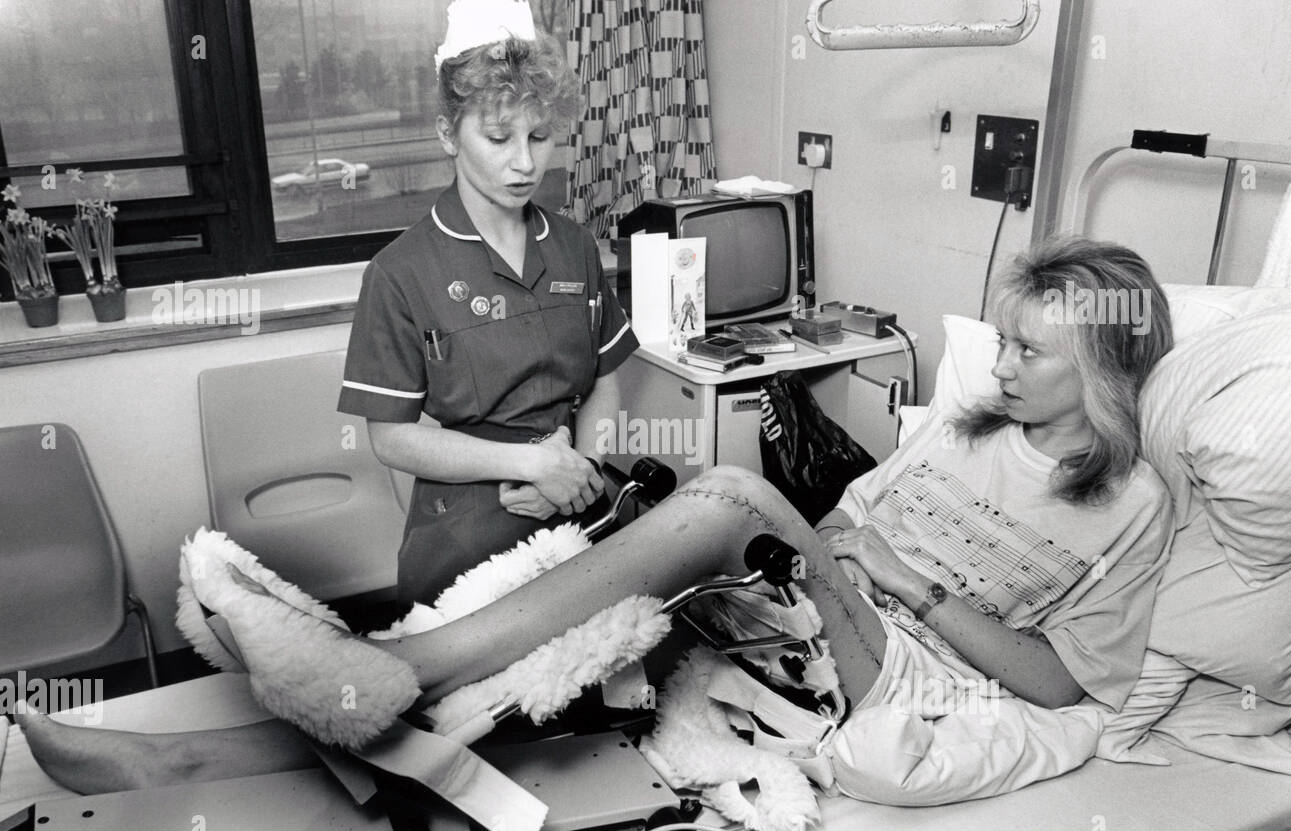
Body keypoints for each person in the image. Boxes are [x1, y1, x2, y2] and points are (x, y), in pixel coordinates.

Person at [17, 235, 1176, 795]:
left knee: (721, 494)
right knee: (564, 646)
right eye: (1005, 341)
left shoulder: (1131, 506)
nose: (1003, 362)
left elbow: (1066, 687)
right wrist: (840, 555)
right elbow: (848, 526)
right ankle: (191, 753)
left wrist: (902, 582)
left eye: (1031, 348)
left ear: (1109, 362)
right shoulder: (968, 429)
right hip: (834, 600)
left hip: (914, 667)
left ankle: (382, 662)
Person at [338, 0, 638, 607]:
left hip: (578, 505)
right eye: (499, 137)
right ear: (448, 134)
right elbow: (391, 439)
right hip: (469, 524)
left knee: (606, 676)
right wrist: (530, 467)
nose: (524, 162)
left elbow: (606, 381)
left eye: (540, 136)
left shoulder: (575, 246)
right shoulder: (400, 273)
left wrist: (577, 468)